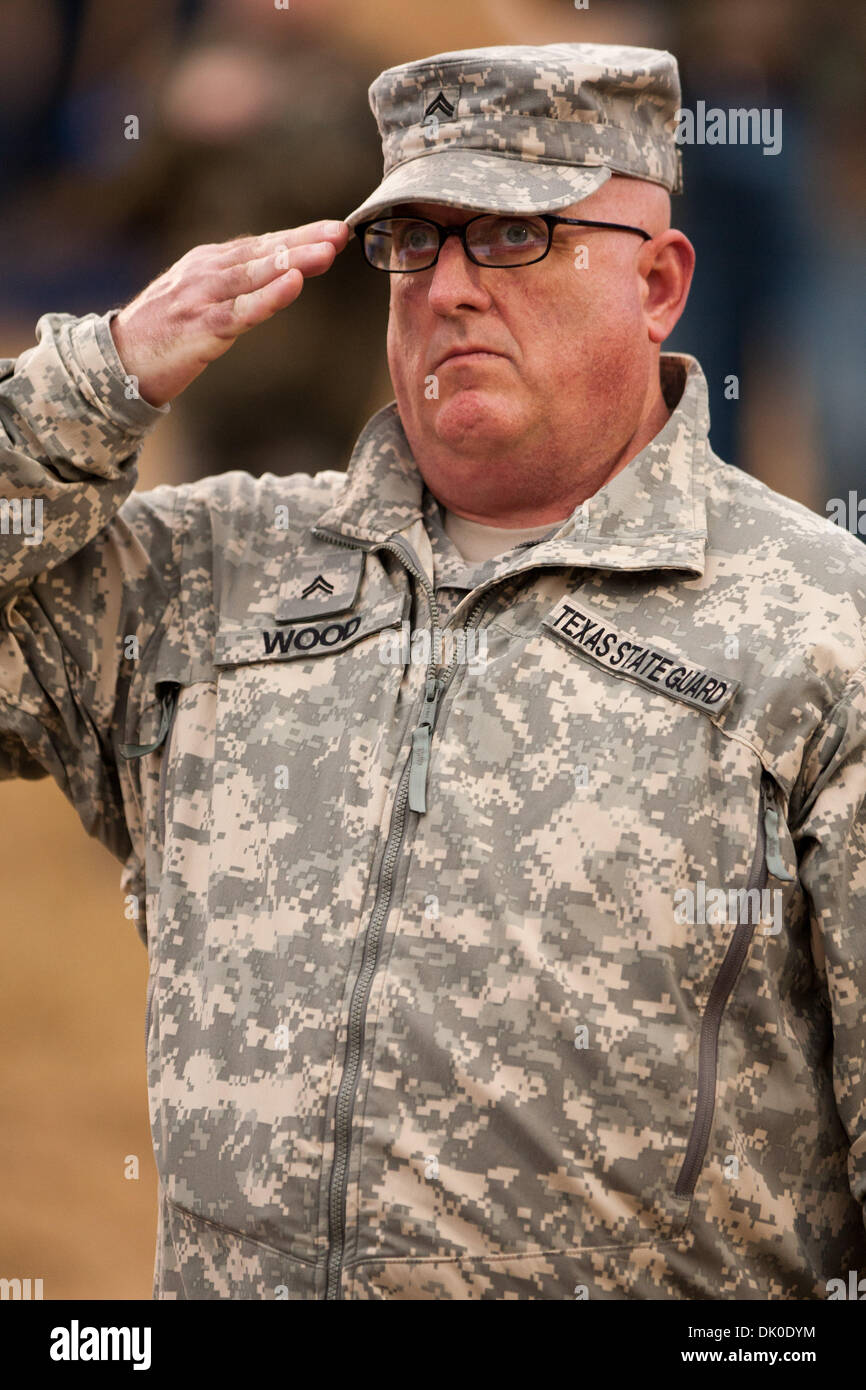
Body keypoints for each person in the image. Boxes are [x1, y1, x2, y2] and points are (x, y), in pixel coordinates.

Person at [1, 42, 864, 1301]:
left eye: (513, 236)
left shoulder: (817, 631)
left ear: (659, 283)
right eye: (414, 240)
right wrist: (92, 383)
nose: (450, 285)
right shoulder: (211, 576)